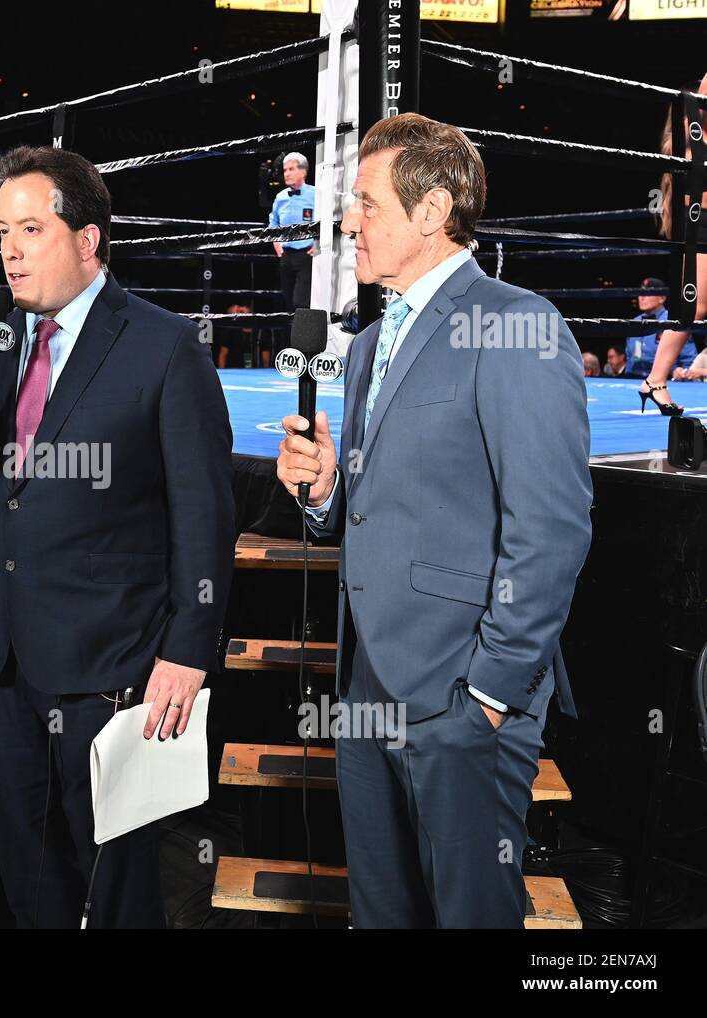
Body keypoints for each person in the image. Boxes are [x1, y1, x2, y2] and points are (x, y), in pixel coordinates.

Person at [275, 113, 591, 928]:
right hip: (365, 689)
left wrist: (487, 695)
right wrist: (318, 495)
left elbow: (551, 529)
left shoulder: (517, 324)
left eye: (368, 204)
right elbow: (374, 510)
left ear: (431, 211)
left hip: (462, 701)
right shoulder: (370, 341)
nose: (349, 221)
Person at [0, 145, 234, 928]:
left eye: (30, 229)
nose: (10, 250)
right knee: (29, 880)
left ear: (87, 240)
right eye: (1, 232)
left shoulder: (164, 346)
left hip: (110, 667)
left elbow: (205, 515)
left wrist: (188, 652)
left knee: (114, 889)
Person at [640, 70, 707, 415]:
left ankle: (655, 379)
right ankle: (654, 379)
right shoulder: (688, 137)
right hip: (700, 229)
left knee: (695, 309)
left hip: (700, 227)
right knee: (694, 309)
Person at [269, 152, 317, 312]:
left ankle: (304, 336)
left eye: (291, 169)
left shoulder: (315, 194)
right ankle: (292, 336)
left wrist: (317, 243)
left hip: (307, 255)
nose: (287, 174)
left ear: (303, 171)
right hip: (286, 255)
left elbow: (325, 219)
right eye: (285, 170)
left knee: (300, 303)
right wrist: (276, 243)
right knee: (288, 303)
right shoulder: (280, 197)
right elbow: (273, 222)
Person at [626, 277, 696, 379]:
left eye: (648, 293)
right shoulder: (634, 321)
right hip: (633, 379)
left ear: (661, 298)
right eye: (641, 293)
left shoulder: (673, 321)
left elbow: (688, 360)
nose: (642, 297)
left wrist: (681, 372)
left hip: (665, 379)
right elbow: (629, 357)